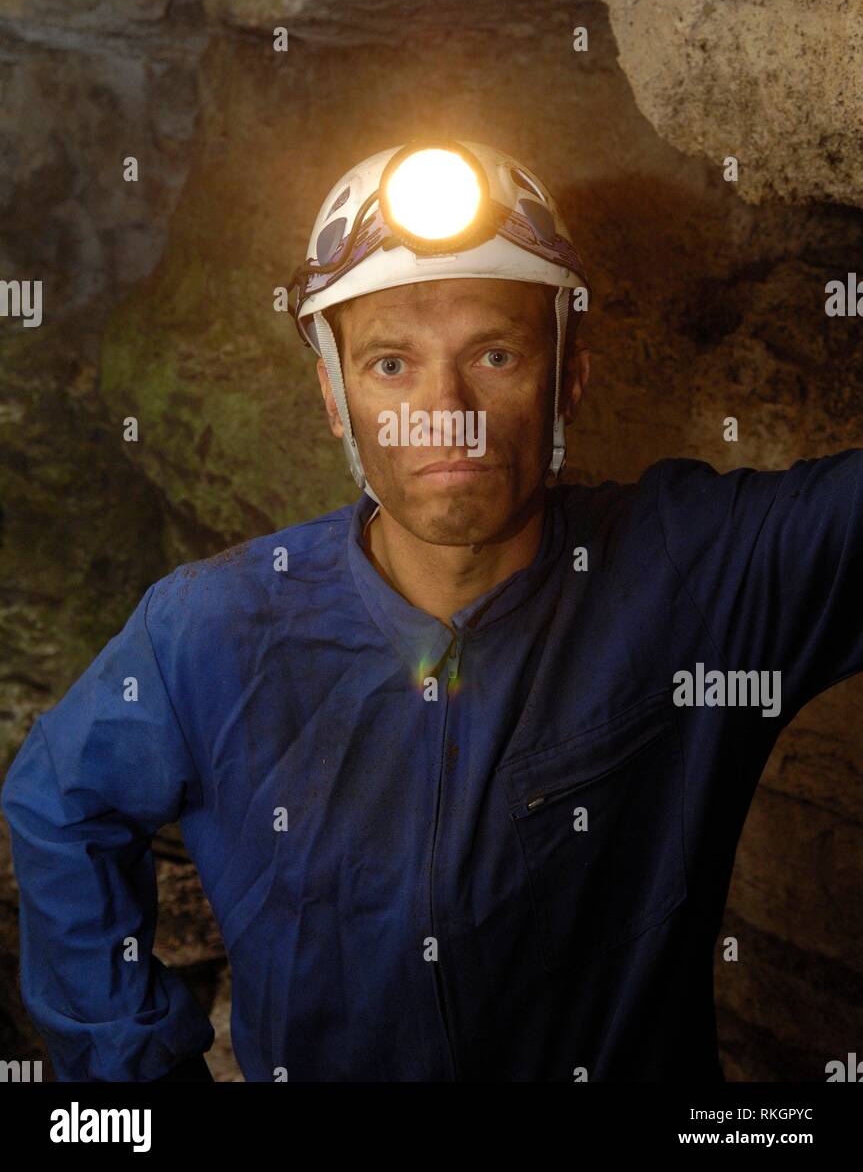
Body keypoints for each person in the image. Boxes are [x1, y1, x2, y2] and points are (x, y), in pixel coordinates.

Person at [2, 138, 861, 1082]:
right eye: (390, 366)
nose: (445, 411)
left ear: (568, 375)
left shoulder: (694, 575)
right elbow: (58, 803)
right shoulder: (216, 627)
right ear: (334, 396)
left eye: (494, 354)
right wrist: (134, 1077)